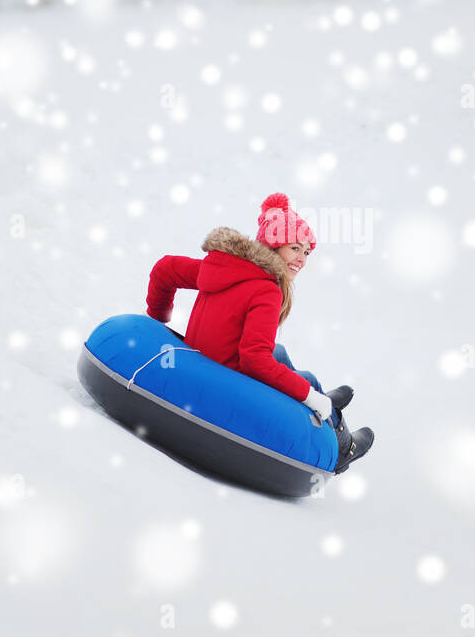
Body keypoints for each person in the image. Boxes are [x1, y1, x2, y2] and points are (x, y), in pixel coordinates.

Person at [145, 193, 374, 471]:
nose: (302, 259)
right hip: (231, 379)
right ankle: (342, 444)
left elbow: (164, 269)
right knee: (307, 380)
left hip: (203, 357)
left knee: (280, 352)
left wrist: (158, 318)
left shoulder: (225, 267)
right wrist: (307, 395)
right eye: (295, 248)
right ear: (274, 246)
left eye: (307, 252)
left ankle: (322, 398)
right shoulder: (267, 290)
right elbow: (254, 360)